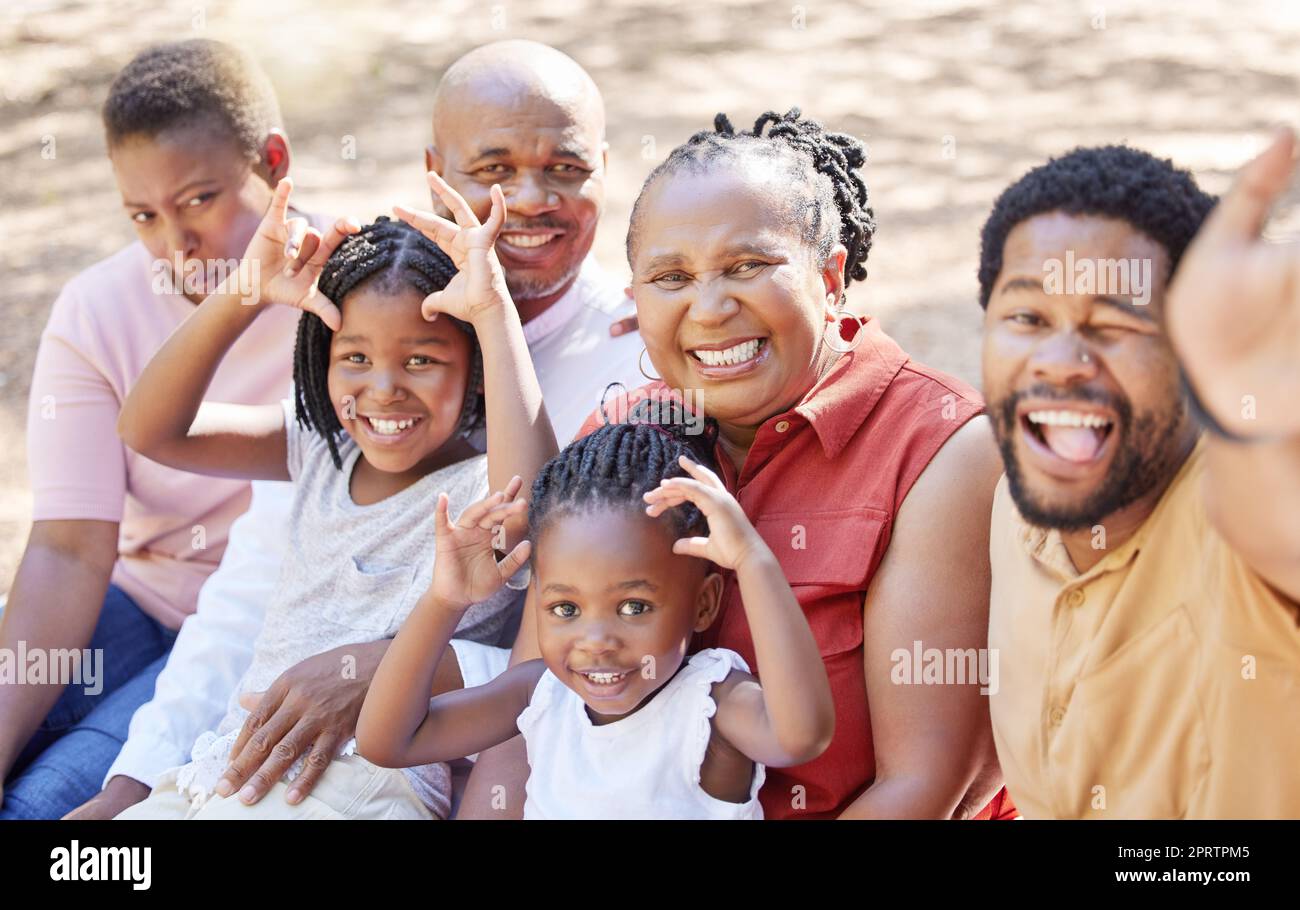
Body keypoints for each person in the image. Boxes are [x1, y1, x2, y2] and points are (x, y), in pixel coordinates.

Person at [74, 39, 644, 819]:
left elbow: (533, 523)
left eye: (566, 168)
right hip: (232, 764)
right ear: (435, 170)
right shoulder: (337, 418)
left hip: (373, 781)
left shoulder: (634, 362)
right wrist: (136, 781)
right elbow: (182, 482)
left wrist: (384, 666)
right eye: (494, 168)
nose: (528, 197)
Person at [469, 108, 1016, 819]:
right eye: (672, 277)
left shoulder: (940, 448)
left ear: (831, 277)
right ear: (636, 298)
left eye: (747, 267)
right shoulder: (620, 433)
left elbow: (925, 787)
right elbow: (532, 714)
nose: (709, 308)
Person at [114, 163, 557, 818]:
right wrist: (246, 289)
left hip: (358, 779)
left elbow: (533, 515)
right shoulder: (321, 450)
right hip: (232, 762)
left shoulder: (482, 488)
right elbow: (150, 429)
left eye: (421, 360)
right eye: (355, 357)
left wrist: (492, 312)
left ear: (478, 369)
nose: (384, 389)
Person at [0, 39, 324, 819]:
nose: (175, 245)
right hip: (131, 598)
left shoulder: (354, 295)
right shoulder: (97, 310)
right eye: (144, 216)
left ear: (273, 162)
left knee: (42, 807)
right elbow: (69, 549)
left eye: (199, 200)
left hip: (255, 629)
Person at [980, 137, 1300, 818]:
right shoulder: (1014, 501)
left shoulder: (1242, 524)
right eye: (1027, 317)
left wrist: (1244, 403)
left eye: (1115, 323)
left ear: (1189, 348)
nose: (1060, 360)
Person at [357, 409, 835, 819]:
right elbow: (388, 742)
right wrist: (444, 601)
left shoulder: (708, 703)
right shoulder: (540, 694)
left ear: (704, 604)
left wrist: (753, 561)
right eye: (566, 608)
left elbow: (801, 737)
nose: (596, 640)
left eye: (633, 607)